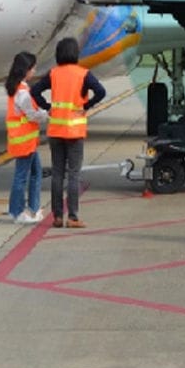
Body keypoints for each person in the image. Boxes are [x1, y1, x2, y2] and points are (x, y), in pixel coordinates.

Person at [30, 36, 106, 229]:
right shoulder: (83, 74)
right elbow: (101, 92)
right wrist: (86, 106)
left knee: (57, 174)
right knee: (73, 174)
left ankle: (56, 217)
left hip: (55, 130)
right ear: (75, 53)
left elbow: (34, 92)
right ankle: (72, 217)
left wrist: (47, 107)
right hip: (74, 131)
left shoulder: (53, 74)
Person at [4, 51, 48, 224]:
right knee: (21, 177)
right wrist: (47, 115)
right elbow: (32, 115)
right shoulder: (22, 92)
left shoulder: (16, 87)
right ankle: (17, 212)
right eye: (33, 67)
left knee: (36, 173)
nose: (34, 71)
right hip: (24, 140)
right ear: (26, 69)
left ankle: (34, 209)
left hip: (24, 139)